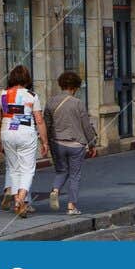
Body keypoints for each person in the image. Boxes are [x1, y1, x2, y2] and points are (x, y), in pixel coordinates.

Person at [0, 65, 49, 218]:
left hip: (7, 133)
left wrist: (4, 111)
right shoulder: (32, 96)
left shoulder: (2, 93)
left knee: (14, 168)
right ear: (26, 79)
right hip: (26, 133)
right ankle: (20, 199)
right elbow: (39, 121)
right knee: (28, 169)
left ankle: (16, 197)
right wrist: (45, 142)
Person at [47, 72, 97, 215]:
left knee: (61, 171)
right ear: (75, 87)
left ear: (61, 85)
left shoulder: (51, 102)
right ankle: (71, 206)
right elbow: (86, 126)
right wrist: (92, 144)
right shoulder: (78, 103)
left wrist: (49, 142)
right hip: (76, 145)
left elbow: (47, 124)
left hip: (57, 143)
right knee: (75, 175)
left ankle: (55, 190)